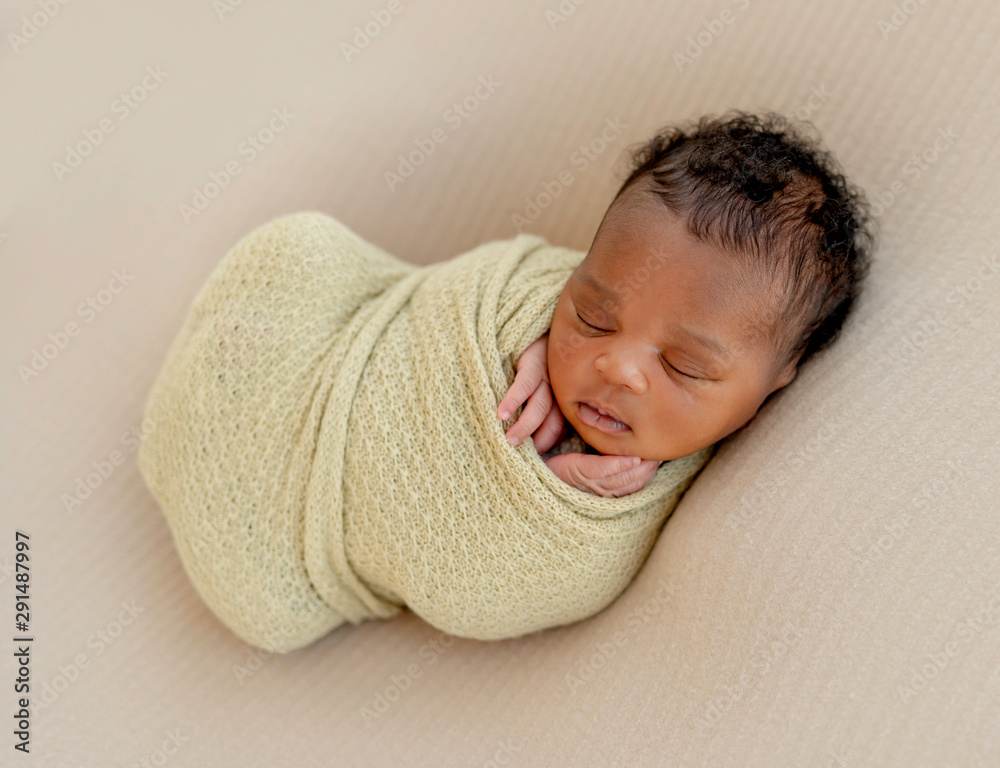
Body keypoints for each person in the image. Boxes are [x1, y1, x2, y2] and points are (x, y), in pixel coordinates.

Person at [497, 110, 876, 497]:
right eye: (593, 319)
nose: (617, 368)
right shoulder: (522, 325)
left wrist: (551, 488)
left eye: (684, 366)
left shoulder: (729, 483)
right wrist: (520, 339)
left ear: (772, 386)